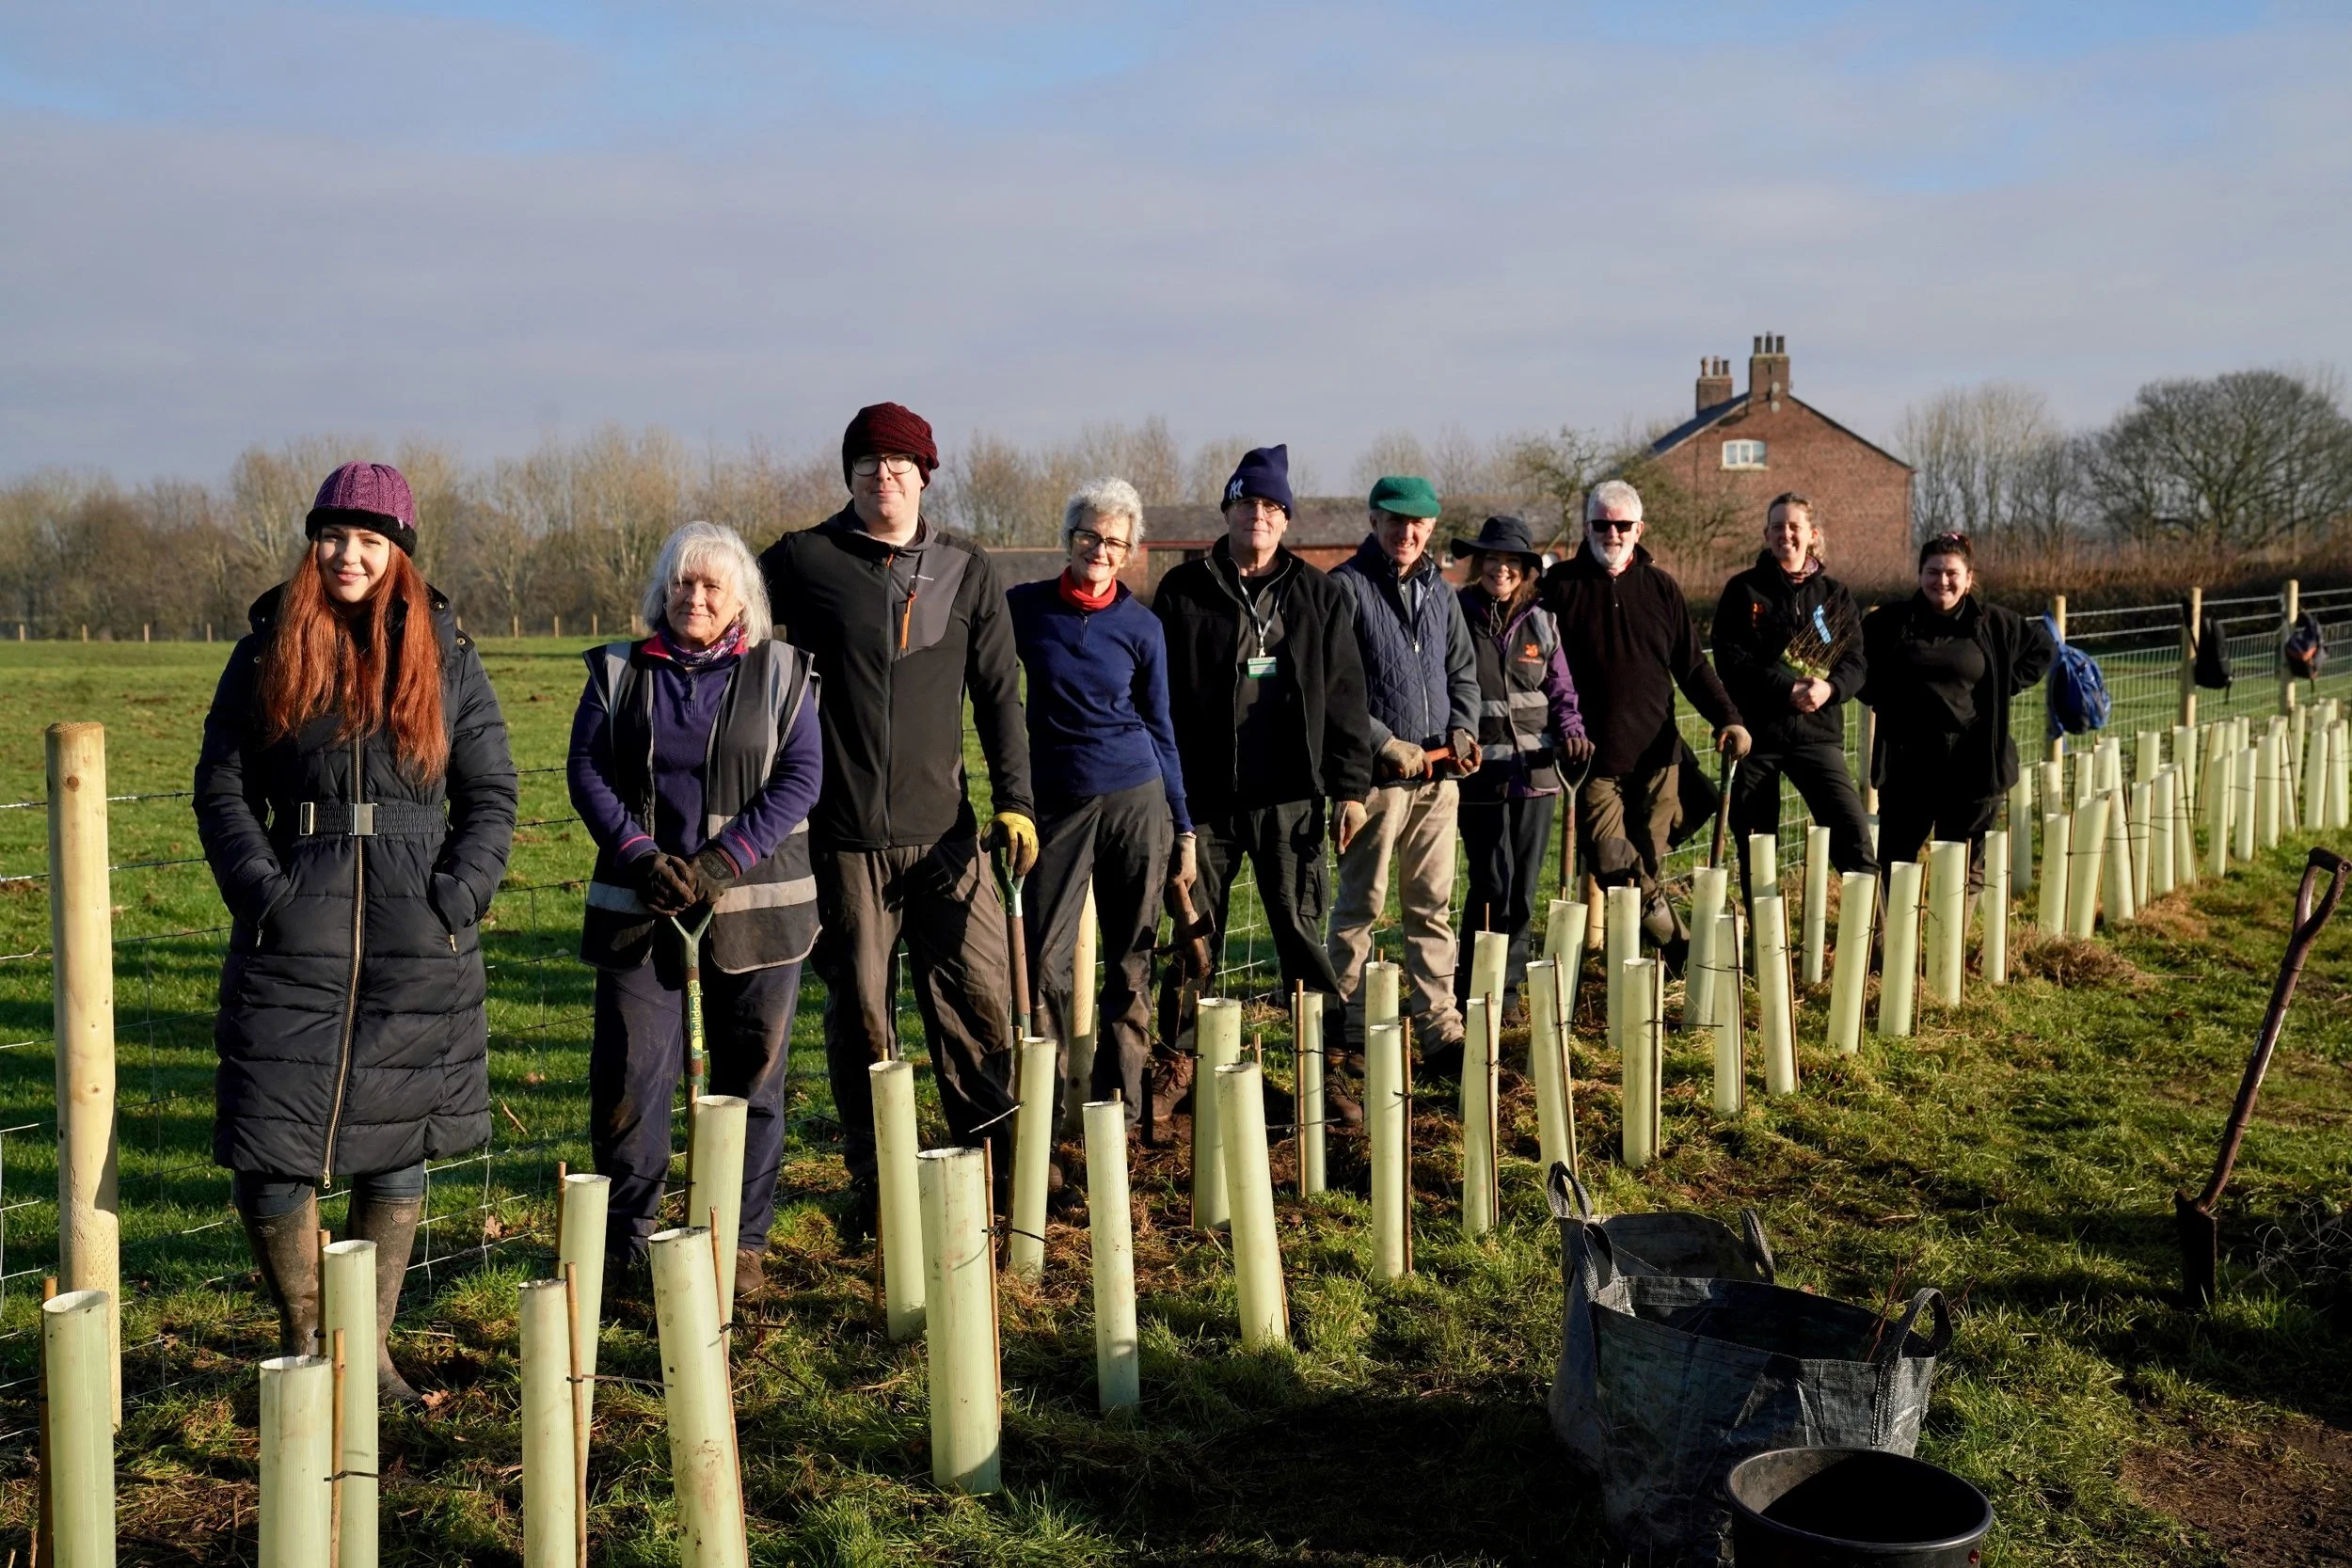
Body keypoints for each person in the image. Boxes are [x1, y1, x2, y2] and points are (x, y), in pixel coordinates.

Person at [196, 461, 516, 1402]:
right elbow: (221, 784)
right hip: (292, 930)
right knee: (269, 1149)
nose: (348, 554)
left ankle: (369, 1359)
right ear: (314, 542)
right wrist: (264, 892)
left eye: (370, 539)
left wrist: (455, 895)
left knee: (397, 1147)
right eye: (334, 535)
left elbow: (492, 790)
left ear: (399, 552)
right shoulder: (267, 646)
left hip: (417, 932)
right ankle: (308, 1341)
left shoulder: (447, 649)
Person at [758, 403, 1032, 1241]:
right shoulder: (804, 560)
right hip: (841, 840)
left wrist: (1015, 801)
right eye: (868, 465)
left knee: (978, 999)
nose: (884, 478)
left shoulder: (965, 567)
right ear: (848, 476)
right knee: (863, 1014)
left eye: (899, 465)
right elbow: (727, 617)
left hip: (948, 835)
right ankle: (879, 1186)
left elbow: (998, 697)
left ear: (925, 474)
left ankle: (998, 1173)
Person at [568, 522, 820, 1303]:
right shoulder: (618, 672)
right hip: (640, 909)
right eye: (683, 583)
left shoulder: (781, 672)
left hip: (755, 912)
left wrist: (721, 862)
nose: (696, 597)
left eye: (713, 585)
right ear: (662, 593)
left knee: (751, 1078)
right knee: (629, 1075)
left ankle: (738, 1241)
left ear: (741, 596)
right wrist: (642, 854)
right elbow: (586, 770)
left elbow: (801, 774)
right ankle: (630, 1244)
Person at [1153, 445, 1374, 1044]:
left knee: (1301, 933)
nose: (1260, 514)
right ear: (1227, 509)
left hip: (1291, 799)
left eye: (1273, 505)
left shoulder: (1319, 595)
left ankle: (1321, 1063)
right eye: (1248, 501)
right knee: (1193, 935)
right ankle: (1178, 1062)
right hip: (1205, 804)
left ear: (1287, 519)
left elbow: (1348, 698)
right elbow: (1158, 698)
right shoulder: (1182, 590)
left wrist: (1351, 789)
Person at [1006, 480, 1191, 1134]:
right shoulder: (1025, 608)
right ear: (1069, 538)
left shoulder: (1142, 627)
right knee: (1043, 959)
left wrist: (1183, 825)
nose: (1101, 548)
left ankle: (1129, 1114)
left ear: (1131, 549)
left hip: (1137, 800)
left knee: (1131, 958)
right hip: (1056, 803)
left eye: (1115, 540)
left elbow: (1161, 724)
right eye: (1090, 535)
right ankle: (1049, 1120)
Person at [1541, 479, 1748, 955]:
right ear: (1587, 527)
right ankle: (1685, 951)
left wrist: (1729, 719)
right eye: (1601, 524)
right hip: (1591, 761)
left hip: (1657, 758)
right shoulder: (1560, 587)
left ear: (1639, 529)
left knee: (1646, 869)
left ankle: (1638, 973)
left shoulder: (1661, 588)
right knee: (1615, 864)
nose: (1611, 534)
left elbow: (1693, 666)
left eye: (1621, 525)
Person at [1325, 475, 1482, 1068]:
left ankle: (1441, 1029)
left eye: (1417, 524)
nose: (1405, 532)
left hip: (1438, 782)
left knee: (1431, 906)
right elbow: (1332, 687)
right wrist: (1384, 741)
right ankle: (1347, 1030)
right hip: (1374, 783)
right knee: (1359, 908)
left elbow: (1462, 673)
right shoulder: (1345, 587)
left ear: (1432, 529)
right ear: (1373, 521)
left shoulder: (1440, 592)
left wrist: (1463, 730)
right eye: (1394, 520)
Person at [1452, 515, 1590, 1019]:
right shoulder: (1459, 614)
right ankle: (1472, 984)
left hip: (1535, 774)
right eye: (1492, 560)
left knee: (1524, 887)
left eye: (1511, 562)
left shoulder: (1542, 621)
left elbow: (1561, 690)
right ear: (1479, 565)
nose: (1501, 570)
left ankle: (1506, 993)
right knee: (1490, 882)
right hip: (1479, 772)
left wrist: (1572, 730)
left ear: (1526, 570)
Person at [1860, 531, 2053, 887]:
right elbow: (1853, 663)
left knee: (1963, 870)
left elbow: (2043, 650)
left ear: (1968, 578)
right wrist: (1877, 694)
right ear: (1919, 574)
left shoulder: (1995, 623)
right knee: (1893, 865)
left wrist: (2003, 686)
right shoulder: (1889, 623)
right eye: (1933, 572)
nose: (1942, 581)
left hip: (1972, 762)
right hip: (1907, 763)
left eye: (1951, 573)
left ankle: (1948, 940)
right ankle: (1889, 942)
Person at [1714, 493, 1876, 894]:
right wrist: (1786, 688)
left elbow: (1856, 662)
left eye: (1794, 526)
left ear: (1812, 534)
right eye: (1776, 527)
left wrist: (1830, 689)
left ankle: (1877, 943)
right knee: (1756, 848)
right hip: (1758, 737)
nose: (1785, 533)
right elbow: (1732, 662)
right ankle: (1764, 946)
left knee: (1854, 839)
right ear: (1766, 535)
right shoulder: (1743, 591)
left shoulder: (1836, 596)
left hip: (1817, 736)